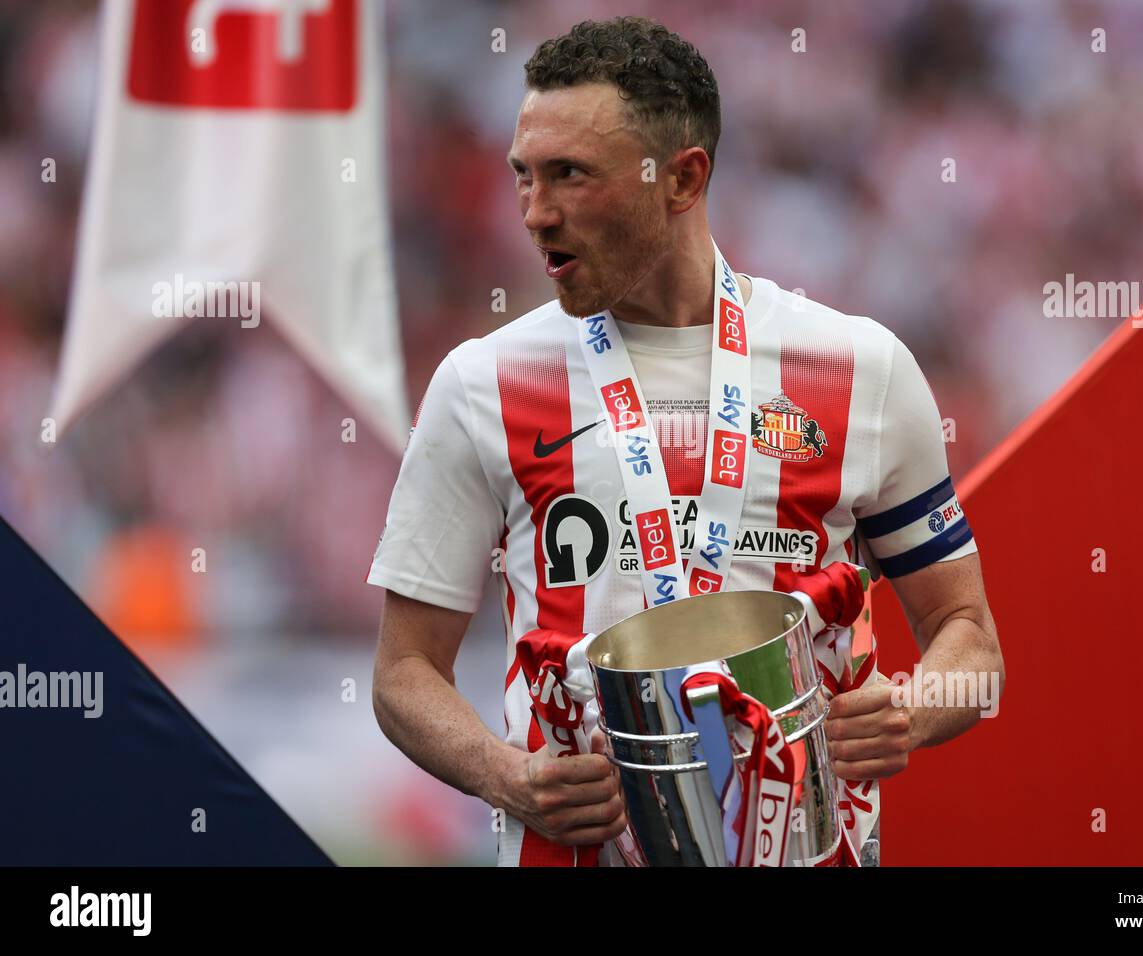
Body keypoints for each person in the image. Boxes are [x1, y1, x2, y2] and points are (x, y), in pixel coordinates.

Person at [367, 16, 1004, 867]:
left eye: (570, 176)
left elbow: (972, 642)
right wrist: (505, 775)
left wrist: (912, 712)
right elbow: (402, 675)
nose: (533, 212)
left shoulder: (861, 368)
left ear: (681, 178)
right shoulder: (482, 383)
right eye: (523, 176)